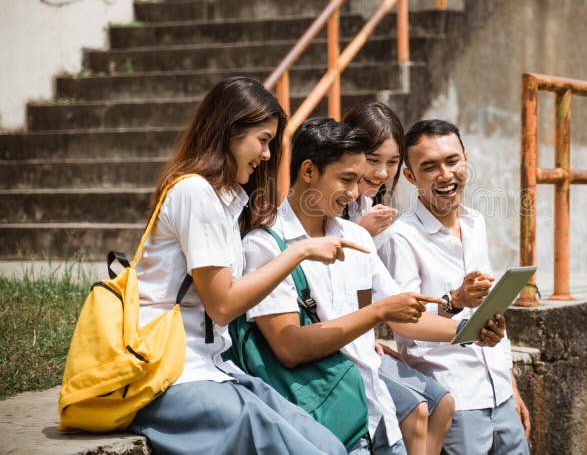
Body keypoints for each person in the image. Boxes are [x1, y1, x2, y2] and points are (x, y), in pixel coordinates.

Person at [242, 117, 507, 455]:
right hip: (325, 422)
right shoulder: (265, 245)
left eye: (358, 181)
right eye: (346, 180)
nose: (355, 194)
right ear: (308, 171)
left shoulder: (355, 236)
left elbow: (403, 313)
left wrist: (469, 329)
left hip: (377, 410)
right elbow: (289, 347)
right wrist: (377, 313)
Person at [129, 77, 352, 454]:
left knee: (326, 444)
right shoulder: (194, 192)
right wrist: (297, 253)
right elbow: (223, 305)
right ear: (231, 131)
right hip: (170, 374)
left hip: (212, 367)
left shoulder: (225, 200)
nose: (266, 154)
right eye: (263, 140)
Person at [378, 119, 532, 455]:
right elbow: (403, 322)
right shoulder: (400, 238)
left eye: (452, 161)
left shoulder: (475, 222)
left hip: (500, 395)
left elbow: (492, 312)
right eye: (429, 166)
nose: (445, 175)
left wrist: (511, 386)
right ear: (410, 176)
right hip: (455, 398)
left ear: (466, 159)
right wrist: (458, 308)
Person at [342, 102, 456, 455]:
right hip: (330, 341)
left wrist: (369, 335)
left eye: (392, 162)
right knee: (417, 409)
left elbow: (371, 292)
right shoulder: (333, 205)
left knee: (443, 404)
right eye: (372, 160)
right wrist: (360, 234)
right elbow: (318, 277)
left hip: (360, 337)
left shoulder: (365, 206)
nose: (381, 172)